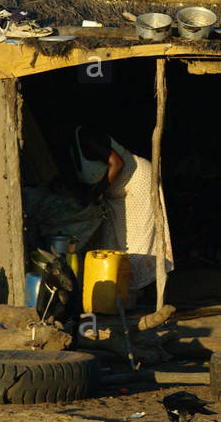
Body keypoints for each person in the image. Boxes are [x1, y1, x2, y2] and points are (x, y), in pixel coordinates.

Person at [72, 126, 174, 302]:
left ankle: (143, 295)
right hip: (116, 194)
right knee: (113, 242)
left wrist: (98, 192)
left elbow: (117, 163)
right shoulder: (72, 147)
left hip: (138, 182)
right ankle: (120, 294)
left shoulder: (87, 137)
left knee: (137, 242)